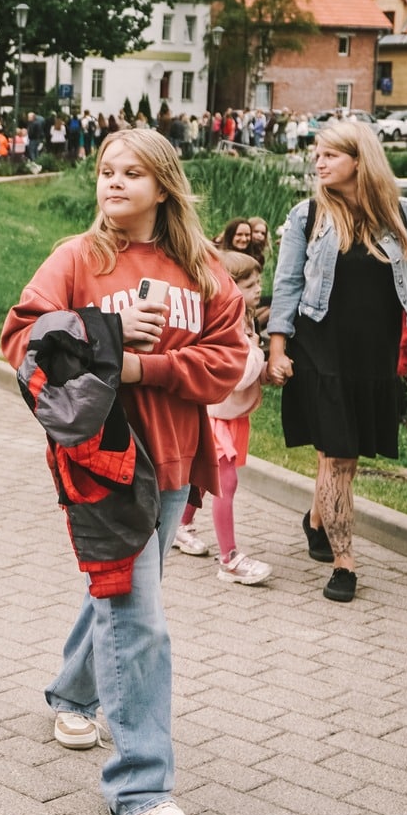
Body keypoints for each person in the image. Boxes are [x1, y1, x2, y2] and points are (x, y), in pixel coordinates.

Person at [1, 128, 246, 815]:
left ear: (163, 185)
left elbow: (228, 360)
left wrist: (147, 367)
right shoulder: (78, 258)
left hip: (173, 464)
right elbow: (21, 340)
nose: (113, 181)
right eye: (107, 170)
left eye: (132, 172)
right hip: (103, 466)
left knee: (122, 593)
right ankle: (141, 785)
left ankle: (74, 692)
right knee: (140, 619)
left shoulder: (202, 268)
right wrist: (105, 330)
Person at [267, 120, 407, 604]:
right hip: (319, 348)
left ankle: (317, 519)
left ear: (359, 160)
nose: (318, 162)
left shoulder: (401, 214)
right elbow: (287, 284)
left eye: (330, 155)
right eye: (317, 154)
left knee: (343, 452)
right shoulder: (307, 215)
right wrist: (277, 347)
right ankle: (344, 563)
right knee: (339, 455)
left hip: (373, 352)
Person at [170, 249, 273, 585]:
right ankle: (229, 559)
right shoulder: (227, 326)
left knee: (204, 478)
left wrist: (265, 369)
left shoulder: (247, 320)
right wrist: (258, 354)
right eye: (249, 284)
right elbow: (237, 376)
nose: (258, 289)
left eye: (258, 282)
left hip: (231, 415)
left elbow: (250, 373)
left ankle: (180, 525)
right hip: (216, 414)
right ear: (229, 286)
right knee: (225, 483)